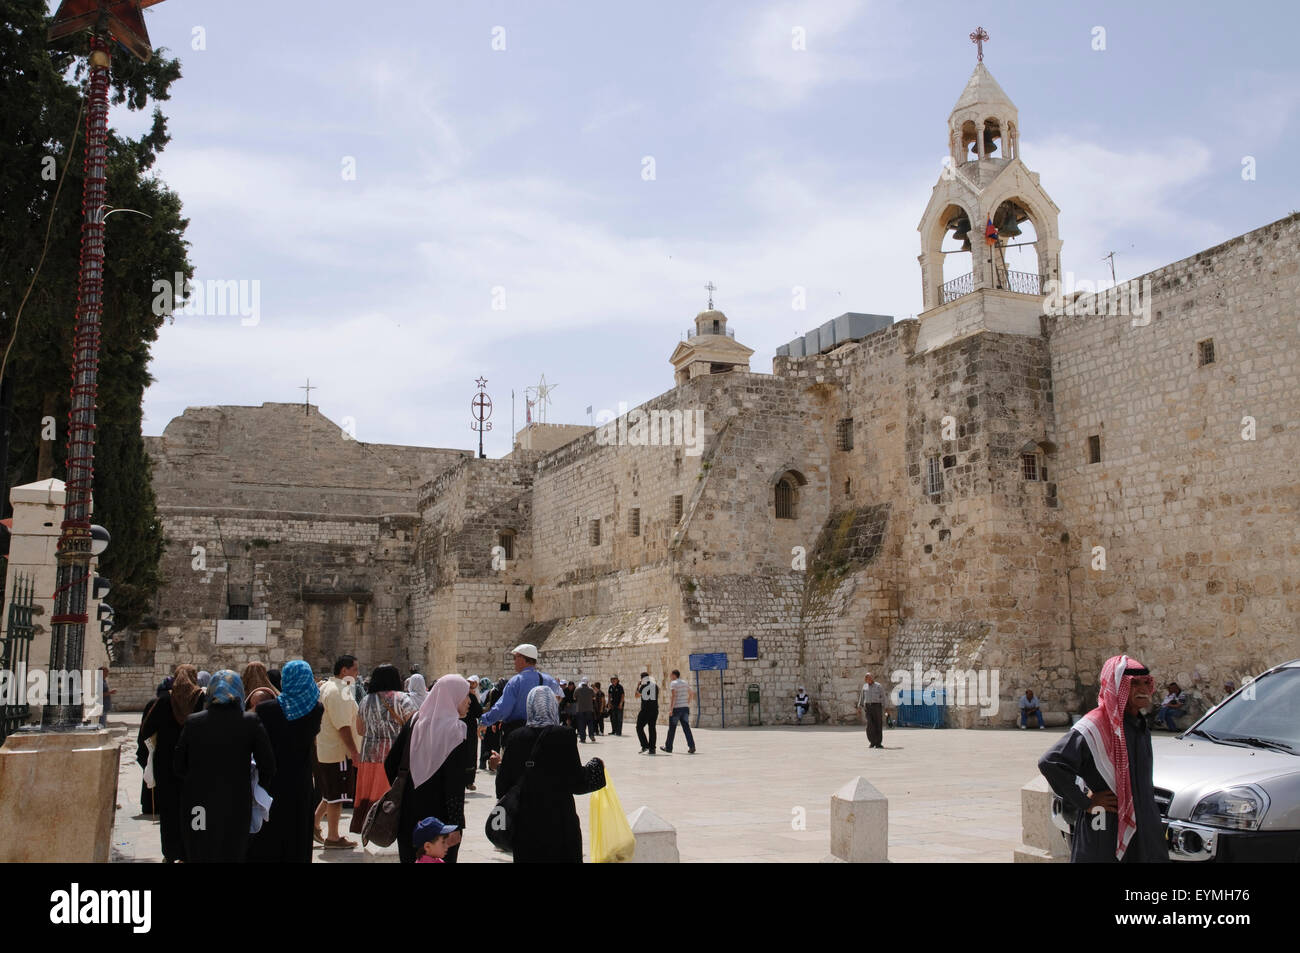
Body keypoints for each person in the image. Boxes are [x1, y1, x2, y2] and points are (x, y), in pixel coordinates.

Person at [1038, 654, 1168, 863]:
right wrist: (1084, 801)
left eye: (1146, 682)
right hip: (1104, 821)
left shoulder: (1139, 725)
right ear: (1118, 687)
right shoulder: (1094, 727)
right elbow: (1051, 762)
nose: (1144, 689)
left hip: (1143, 822)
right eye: (1134, 684)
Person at [489, 686, 604, 863]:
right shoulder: (564, 735)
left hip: (526, 827)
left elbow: (503, 788)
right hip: (561, 824)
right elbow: (577, 782)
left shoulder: (515, 737)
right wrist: (595, 767)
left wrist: (501, 766)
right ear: (552, 706)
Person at [174, 670, 277, 863]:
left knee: (200, 845)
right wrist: (258, 788)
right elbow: (268, 765)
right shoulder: (250, 722)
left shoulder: (194, 722)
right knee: (233, 848)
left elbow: (178, 764)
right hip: (236, 801)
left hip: (198, 803)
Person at [386, 674, 471, 864]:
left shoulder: (414, 721)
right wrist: (456, 824)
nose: (469, 701)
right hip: (440, 819)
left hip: (408, 812)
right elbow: (455, 784)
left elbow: (390, 763)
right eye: (465, 695)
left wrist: (406, 788)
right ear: (452, 697)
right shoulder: (456, 731)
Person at [249, 660, 324, 863]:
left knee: (270, 831)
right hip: (300, 780)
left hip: (271, 780)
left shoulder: (266, 710)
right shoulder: (315, 709)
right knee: (298, 832)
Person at [138, 664, 204, 861]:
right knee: (192, 811)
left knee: (168, 812)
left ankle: (170, 853)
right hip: (193, 763)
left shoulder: (164, 700)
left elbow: (146, 731)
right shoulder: (201, 699)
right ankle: (187, 852)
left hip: (165, 764)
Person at [350, 663, 416, 836]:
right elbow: (413, 725)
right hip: (394, 754)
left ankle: (368, 827)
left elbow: (360, 730)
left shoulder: (365, 700)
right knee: (390, 794)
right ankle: (386, 829)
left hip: (369, 754)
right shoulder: (403, 699)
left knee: (370, 794)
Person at [314, 654, 363, 849]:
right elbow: (343, 726)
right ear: (344, 671)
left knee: (330, 792)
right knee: (337, 796)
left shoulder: (329, 686)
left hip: (328, 750)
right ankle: (333, 838)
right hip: (338, 752)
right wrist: (354, 751)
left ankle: (314, 823)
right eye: (355, 670)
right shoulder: (338, 691)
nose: (357, 674)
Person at [478, 643, 562, 748]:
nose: (514, 661)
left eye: (515, 657)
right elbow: (558, 699)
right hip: (546, 734)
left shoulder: (516, 681)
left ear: (522, 659)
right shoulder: (549, 680)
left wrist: (485, 721)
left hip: (518, 734)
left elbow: (503, 707)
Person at [137, 677, 172, 816]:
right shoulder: (171, 703)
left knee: (151, 768)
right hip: (162, 746)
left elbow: (145, 728)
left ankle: (149, 805)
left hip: (151, 744)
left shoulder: (154, 702)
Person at [661, 669, 696, 754]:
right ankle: (692, 746)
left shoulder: (673, 683)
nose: (670, 677)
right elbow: (691, 693)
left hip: (676, 708)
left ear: (674, 675)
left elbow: (674, 696)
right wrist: (687, 703)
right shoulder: (685, 682)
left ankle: (668, 747)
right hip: (685, 708)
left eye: (671, 675)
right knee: (686, 728)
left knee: (672, 729)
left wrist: (671, 709)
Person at [461, 676, 483, 790]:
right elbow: (479, 712)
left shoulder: (458, 696)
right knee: (470, 754)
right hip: (468, 729)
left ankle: (465, 780)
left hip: (463, 729)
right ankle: (469, 781)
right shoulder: (471, 697)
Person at [857, 673, 885, 749]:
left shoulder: (878, 686)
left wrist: (885, 707)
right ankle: (872, 742)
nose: (868, 679)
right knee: (870, 725)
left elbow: (883, 697)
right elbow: (861, 697)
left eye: (869, 678)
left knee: (878, 724)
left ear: (872, 678)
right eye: (866, 678)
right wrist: (859, 707)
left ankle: (878, 743)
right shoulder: (864, 686)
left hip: (877, 707)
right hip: (868, 707)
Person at [635, 671, 660, 755]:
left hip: (645, 710)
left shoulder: (643, 686)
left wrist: (638, 685)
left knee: (639, 727)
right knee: (652, 728)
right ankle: (652, 749)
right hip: (654, 709)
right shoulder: (655, 686)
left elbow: (636, 695)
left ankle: (645, 745)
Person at [574, 679, 596, 743]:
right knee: (590, 723)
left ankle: (583, 738)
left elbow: (574, 697)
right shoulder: (591, 689)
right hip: (589, 709)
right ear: (587, 683)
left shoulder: (577, 689)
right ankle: (591, 735)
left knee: (581, 724)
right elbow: (594, 697)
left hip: (580, 710)